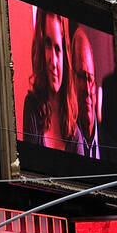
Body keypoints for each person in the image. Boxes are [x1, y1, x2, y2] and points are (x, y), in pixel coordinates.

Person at [20, 8, 81, 152]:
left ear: (65, 57)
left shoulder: (75, 133)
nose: (53, 61)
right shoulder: (32, 107)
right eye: (47, 45)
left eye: (58, 49)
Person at [71, 27, 100, 159]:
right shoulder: (66, 138)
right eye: (82, 77)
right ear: (72, 79)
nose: (88, 90)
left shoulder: (113, 147)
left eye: (90, 79)